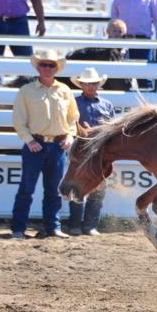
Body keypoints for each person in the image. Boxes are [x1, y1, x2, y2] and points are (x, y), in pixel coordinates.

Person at [10, 49, 79, 239]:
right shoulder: (26, 91)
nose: (47, 68)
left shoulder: (65, 91)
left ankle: (53, 227)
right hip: (36, 144)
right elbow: (18, 119)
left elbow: (73, 118)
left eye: (51, 65)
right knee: (26, 189)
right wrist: (29, 140)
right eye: (44, 64)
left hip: (58, 146)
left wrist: (70, 136)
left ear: (56, 68)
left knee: (54, 191)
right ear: (38, 67)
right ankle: (18, 228)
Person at [67, 68, 115, 236]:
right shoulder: (73, 103)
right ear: (81, 84)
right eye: (88, 83)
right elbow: (69, 124)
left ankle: (89, 225)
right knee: (78, 187)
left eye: (94, 83)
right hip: (81, 151)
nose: (91, 86)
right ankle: (75, 224)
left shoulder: (107, 105)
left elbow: (112, 130)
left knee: (98, 189)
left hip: (100, 153)